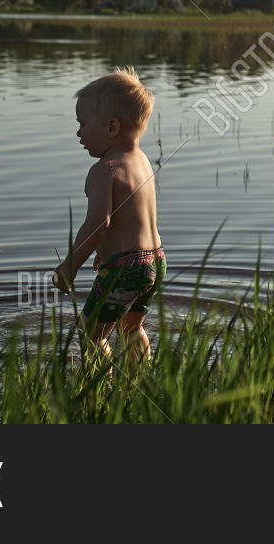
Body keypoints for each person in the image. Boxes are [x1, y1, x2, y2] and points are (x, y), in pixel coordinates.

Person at [53, 67, 164, 367]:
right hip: (154, 261)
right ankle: (138, 379)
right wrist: (108, 253)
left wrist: (70, 265)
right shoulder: (141, 163)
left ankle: (100, 393)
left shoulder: (105, 170)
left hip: (125, 268)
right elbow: (132, 220)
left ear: (112, 128)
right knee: (131, 328)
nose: (79, 132)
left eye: (83, 124)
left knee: (90, 333)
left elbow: (99, 223)